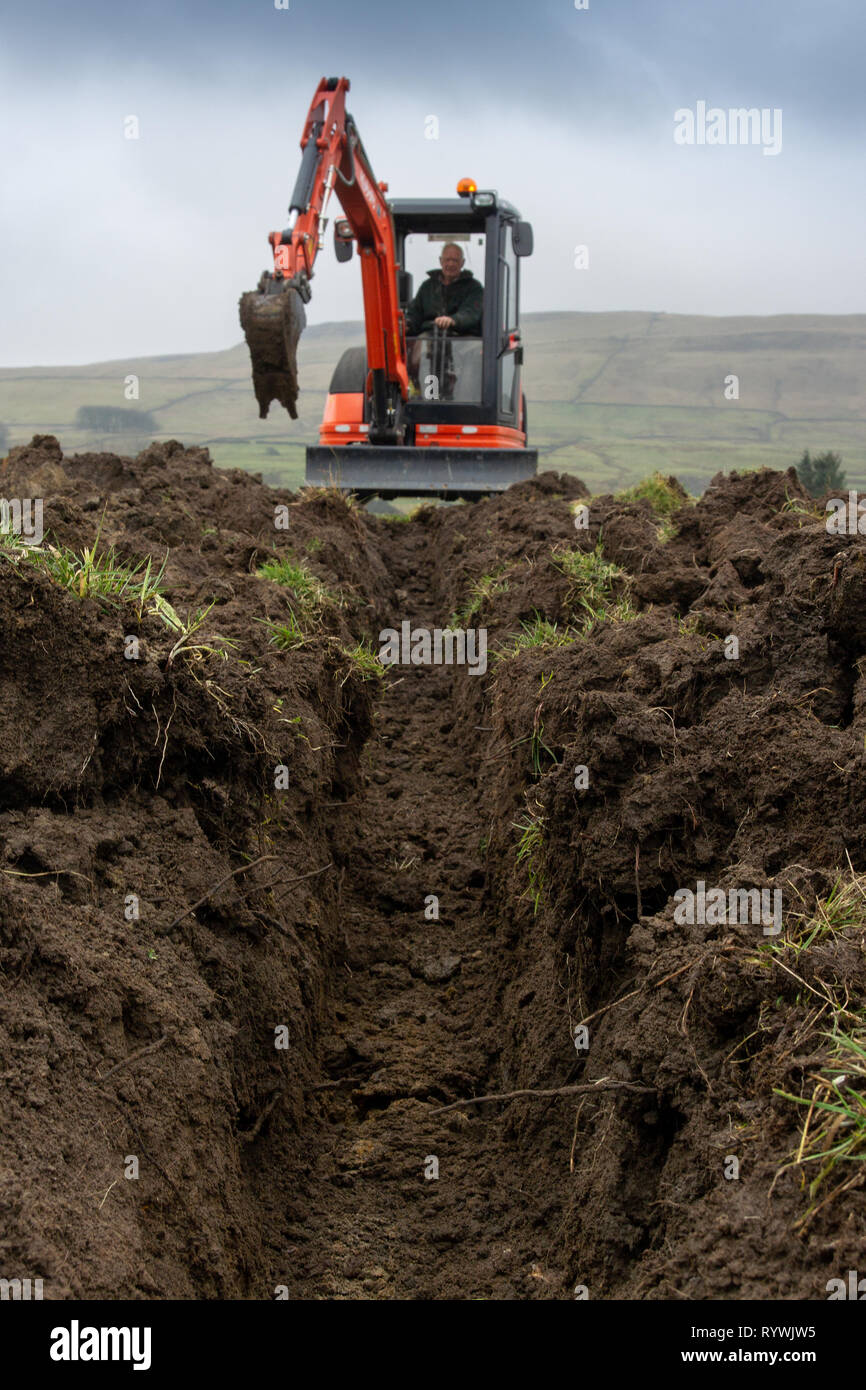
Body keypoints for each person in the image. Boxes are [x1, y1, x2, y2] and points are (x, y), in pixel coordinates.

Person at [405, 243, 483, 338]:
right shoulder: (427, 286)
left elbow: (471, 313)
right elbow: (415, 313)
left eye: (455, 260)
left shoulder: (474, 287)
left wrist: (453, 320)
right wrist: (407, 324)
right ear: (441, 261)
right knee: (421, 344)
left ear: (462, 263)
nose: (451, 264)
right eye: (447, 260)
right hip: (431, 337)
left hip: (464, 338)